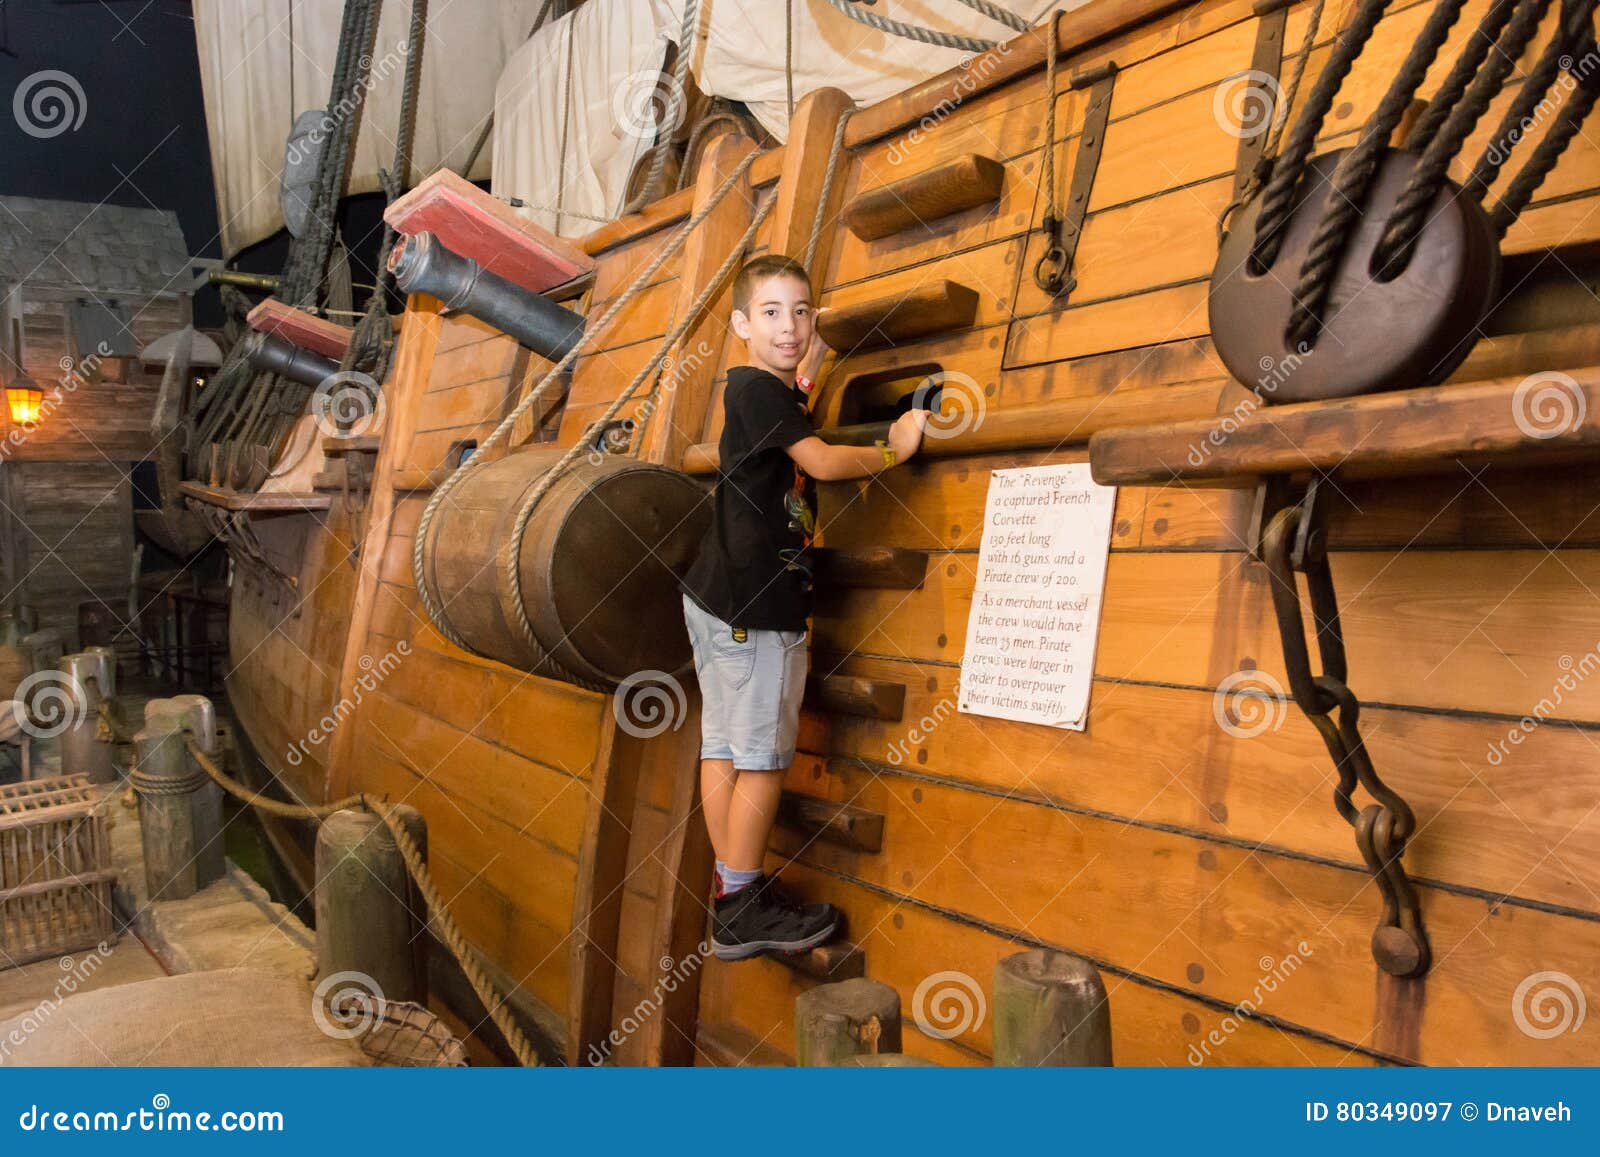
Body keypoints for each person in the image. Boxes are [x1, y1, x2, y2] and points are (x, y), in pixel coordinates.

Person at [680, 254, 928, 961]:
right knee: (761, 758)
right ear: (738, 324)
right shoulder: (760, 391)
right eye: (770, 313)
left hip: (719, 595)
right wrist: (894, 448)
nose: (790, 326)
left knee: (725, 745)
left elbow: (788, 420)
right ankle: (741, 906)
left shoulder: (764, 391)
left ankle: (732, 893)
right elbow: (817, 462)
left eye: (801, 310)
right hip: (757, 605)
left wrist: (810, 373)